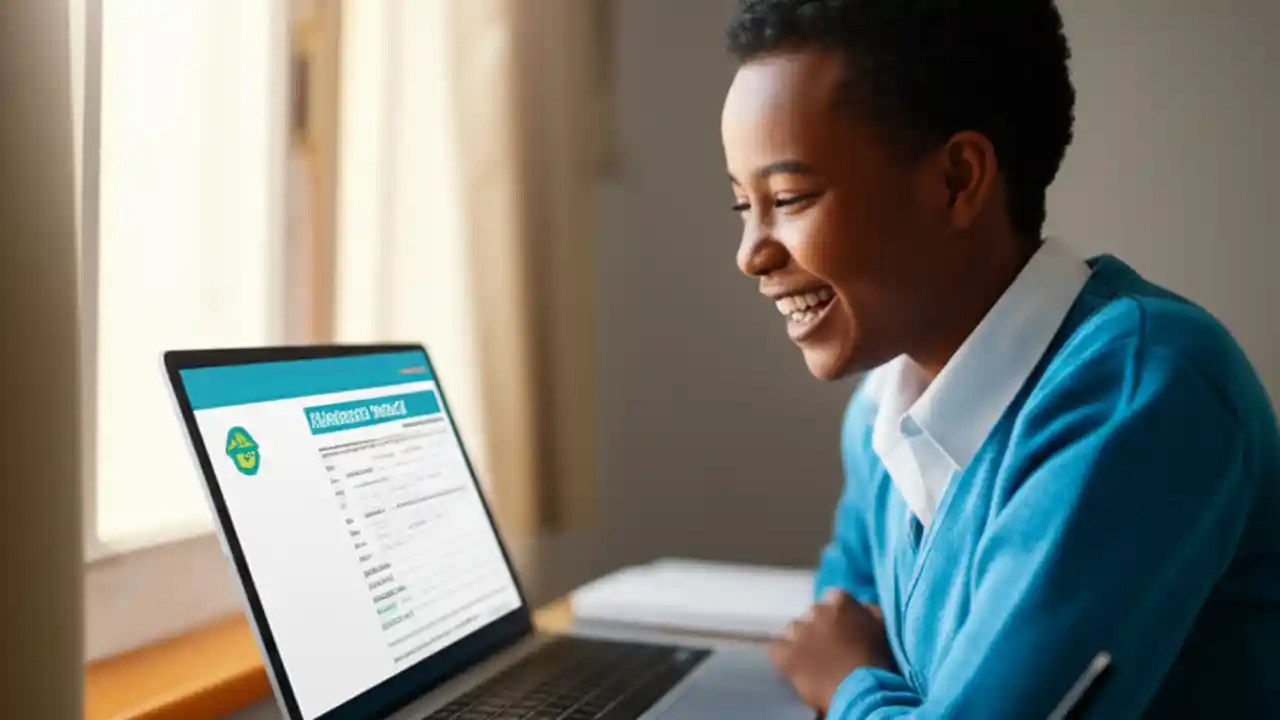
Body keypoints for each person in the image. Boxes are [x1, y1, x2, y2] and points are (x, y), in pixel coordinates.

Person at [719, 0, 1280, 717]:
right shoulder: (884, 407)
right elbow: (844, 606)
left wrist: (850, 683)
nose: (750, 255)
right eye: (744, 205)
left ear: (957, 180)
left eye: (790, 198)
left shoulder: (1142, 395)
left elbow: (840, 650)